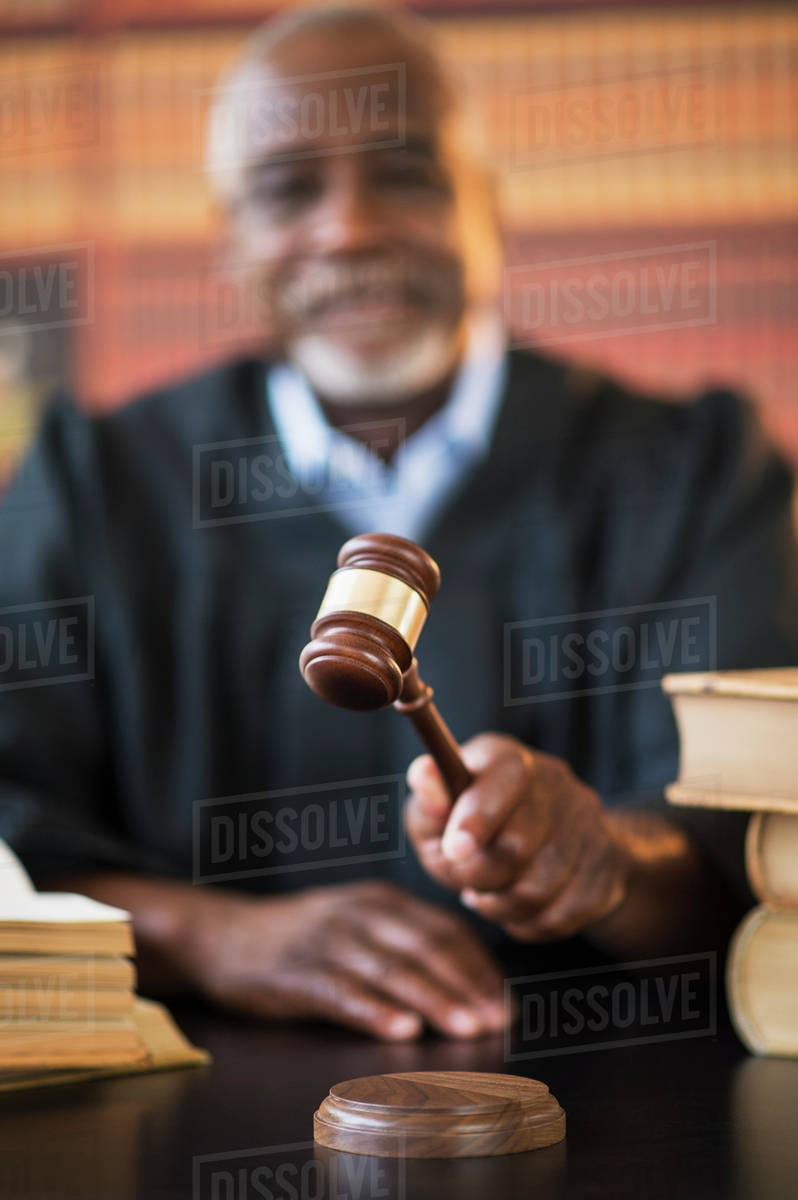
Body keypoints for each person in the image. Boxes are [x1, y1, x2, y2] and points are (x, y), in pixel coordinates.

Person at [1, 4, 796, 1043]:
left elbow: (758, 856)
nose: (350, 228)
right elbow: (12, 843)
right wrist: (218, 937)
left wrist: (603, 860)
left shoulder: (697, 472)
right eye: (288, 191)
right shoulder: (94, 484)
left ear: (488, 205)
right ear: (230, 238)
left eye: (408, 173)